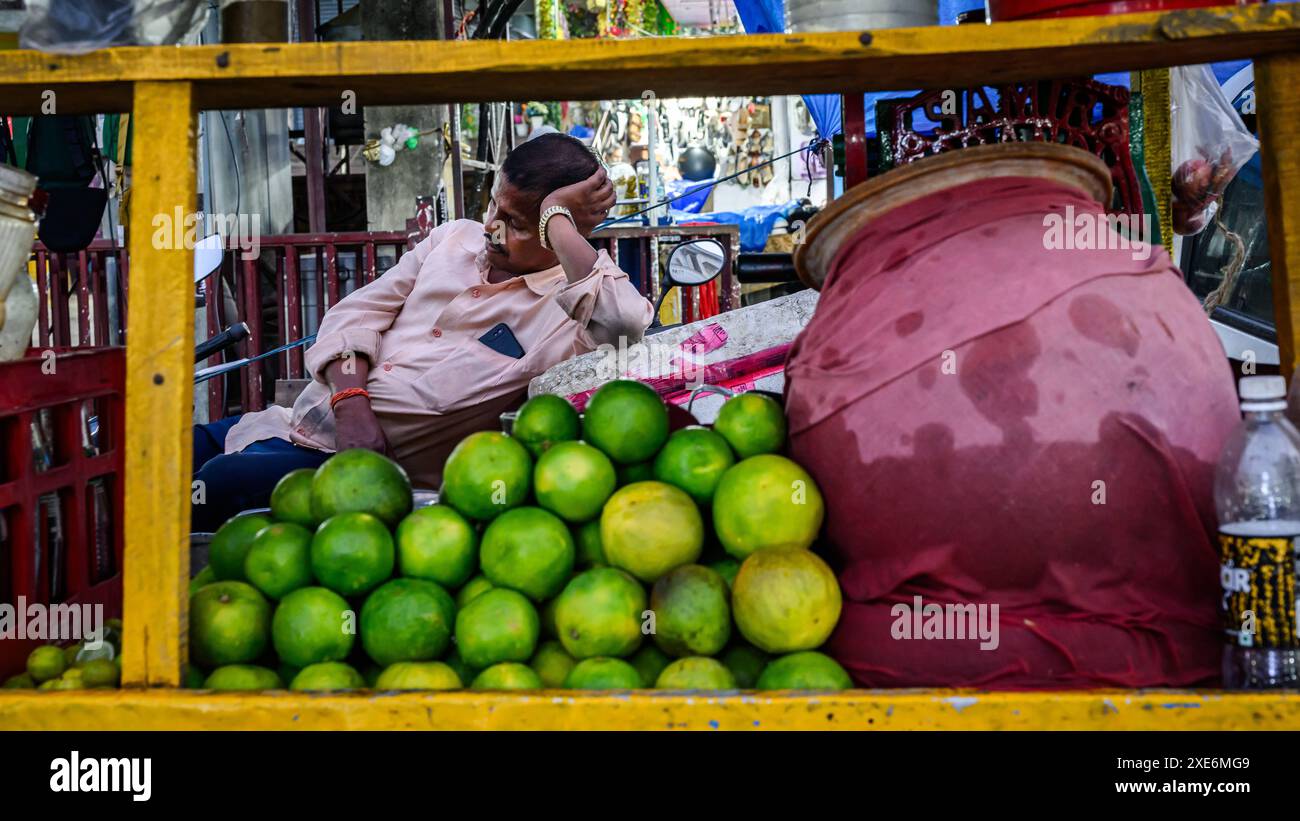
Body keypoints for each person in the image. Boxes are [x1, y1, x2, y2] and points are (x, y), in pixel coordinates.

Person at [191, 133, 654, 531]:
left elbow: (626, 323)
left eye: (514, 223)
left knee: (214, 485)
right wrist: (350, 400)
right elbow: (356, 314)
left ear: (561, 229)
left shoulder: (572, 317)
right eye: (494, 204)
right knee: (169, 451)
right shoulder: (453, 239)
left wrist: (556, 217)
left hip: (363, 479)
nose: (492, 229)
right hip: (293, 422)